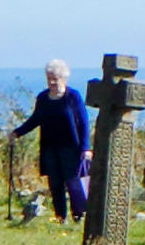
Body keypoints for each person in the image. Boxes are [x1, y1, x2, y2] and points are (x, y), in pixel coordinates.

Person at [5, 64, 90, 223]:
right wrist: (17, 133)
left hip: (71, 148)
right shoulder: (43, 98)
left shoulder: (73, 97)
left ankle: (78, 216)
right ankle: (60, 218)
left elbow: (84, 123)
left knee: (73, 183)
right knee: (55, 184)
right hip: (50, 148)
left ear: (64, 79)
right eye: (49, 79)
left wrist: (86, 147)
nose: (51, 83)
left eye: (55, 79)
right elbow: (35, 119)